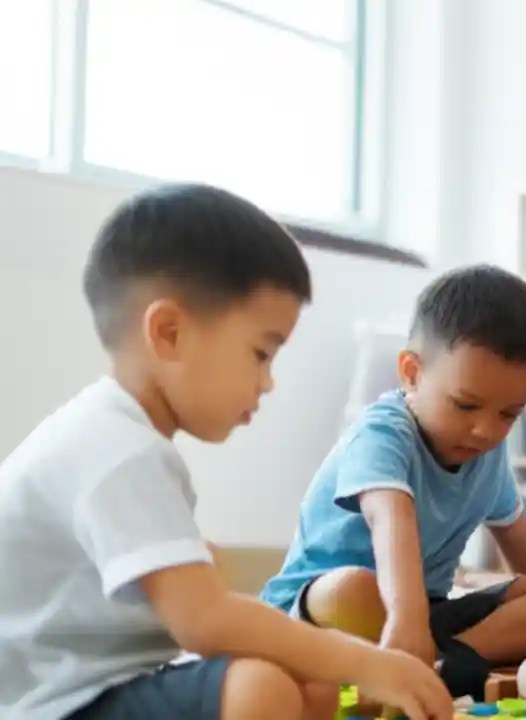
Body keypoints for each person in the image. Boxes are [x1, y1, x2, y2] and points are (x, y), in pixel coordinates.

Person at [0, 185, 451, 720]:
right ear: (169, 333)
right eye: (261, 353)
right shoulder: (116, 450)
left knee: (309, 683)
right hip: (59, 705)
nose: (267, 383)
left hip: (114, 682)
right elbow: (205, 622)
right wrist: (369, 663)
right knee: (260, 689)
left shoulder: (116, 436)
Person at [260, 265, 526, 702]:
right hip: (331, 610)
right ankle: (407, 656)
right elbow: (391, 518)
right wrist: (407, 620)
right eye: (466, 405)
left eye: (508, 414)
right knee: (350, 589)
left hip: (424, 616)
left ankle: (443, 663)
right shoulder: (382, 433)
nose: (485, 431)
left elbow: (518, 541)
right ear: (411, 373)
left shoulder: (486, 452)